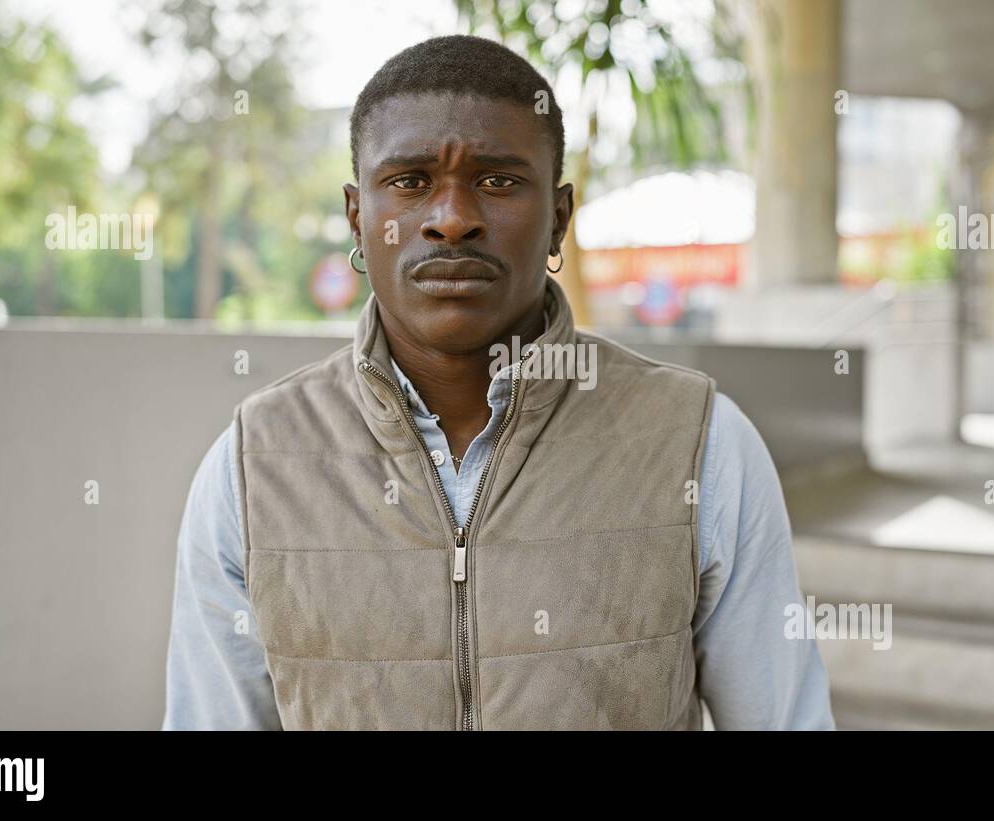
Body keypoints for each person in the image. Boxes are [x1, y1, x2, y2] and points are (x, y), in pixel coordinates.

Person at [163, 34, 834, 731]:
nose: (452, 218)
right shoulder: (253, 465)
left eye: (498, 180)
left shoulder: (701, 444)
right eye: (410, 181)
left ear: (559, 219)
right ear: (358, 219)